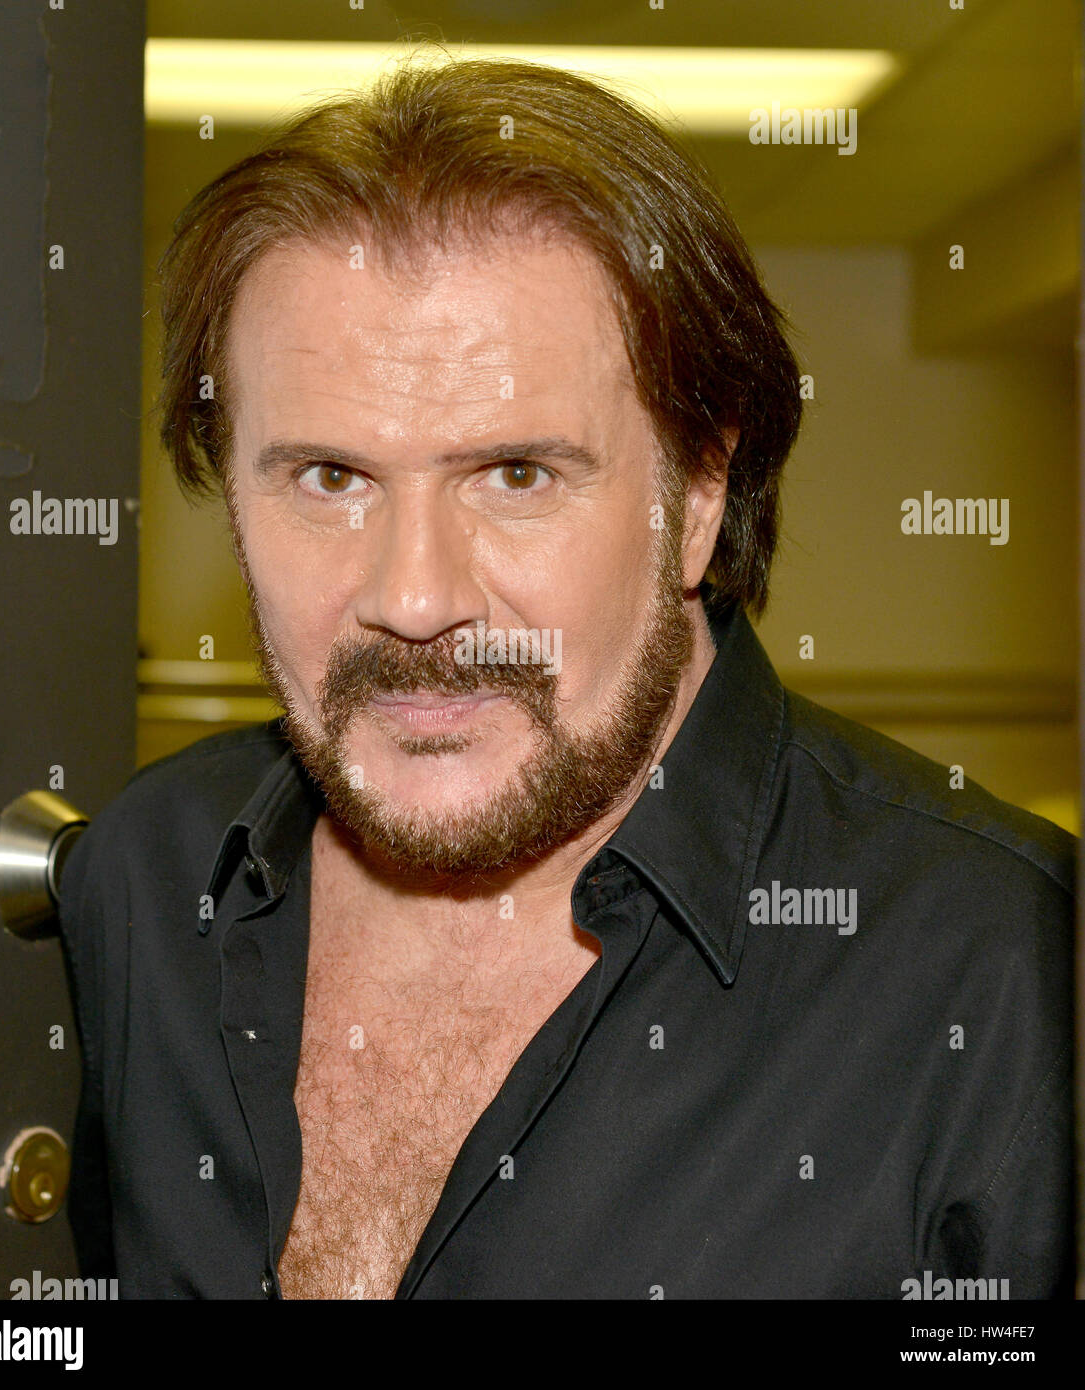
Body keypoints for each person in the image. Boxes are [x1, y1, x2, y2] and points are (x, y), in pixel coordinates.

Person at [58, 52, 1074, 1300]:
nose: (415, 598)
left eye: (517, 476)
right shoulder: (146, 881)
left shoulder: (1005, 963)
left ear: (697, 500)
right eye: (330, 478)